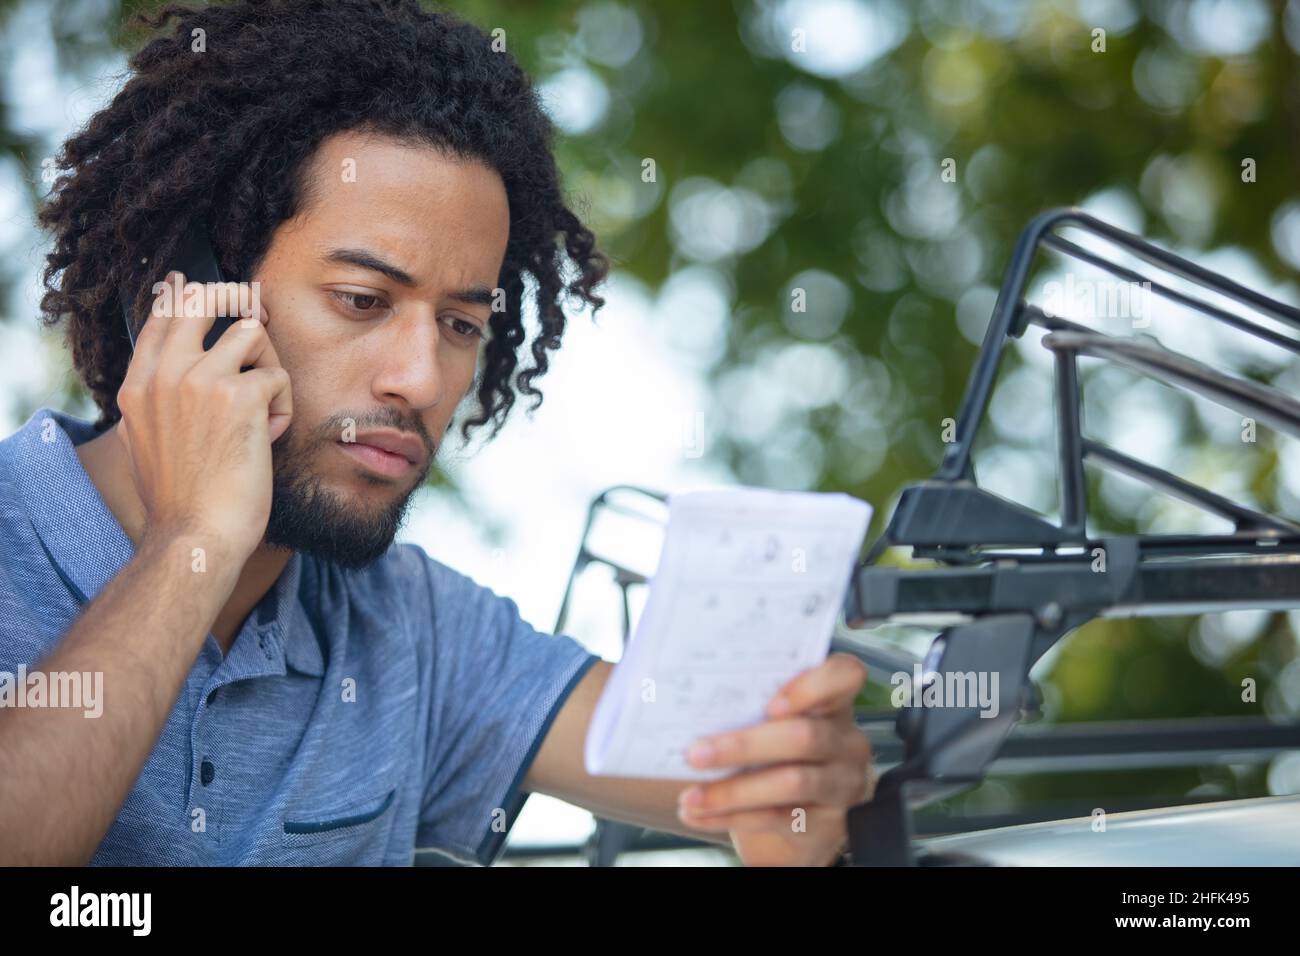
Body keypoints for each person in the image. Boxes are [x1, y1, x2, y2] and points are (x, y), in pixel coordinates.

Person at [0, 0, 872, 866]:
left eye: (460, 325)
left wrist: (792, 786)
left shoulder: (408, 628)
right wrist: (194, 542)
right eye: (363, 301)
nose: (419, 381)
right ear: (191, 291)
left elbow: (719, 765)